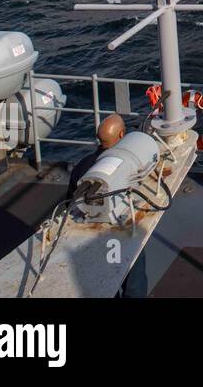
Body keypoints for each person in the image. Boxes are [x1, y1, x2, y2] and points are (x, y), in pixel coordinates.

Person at [67, 113, 148, 297]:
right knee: (134, 283)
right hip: (124, 232)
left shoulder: (82, 167)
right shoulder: (128, 166)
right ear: (122, 135)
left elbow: (71, 204)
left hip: (92, 236)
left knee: (103, 283)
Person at [68, 113, 127, 196]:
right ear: (121, 134)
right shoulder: (126, 163)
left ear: (97, 136)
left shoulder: (81, 166)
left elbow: (70, 198)